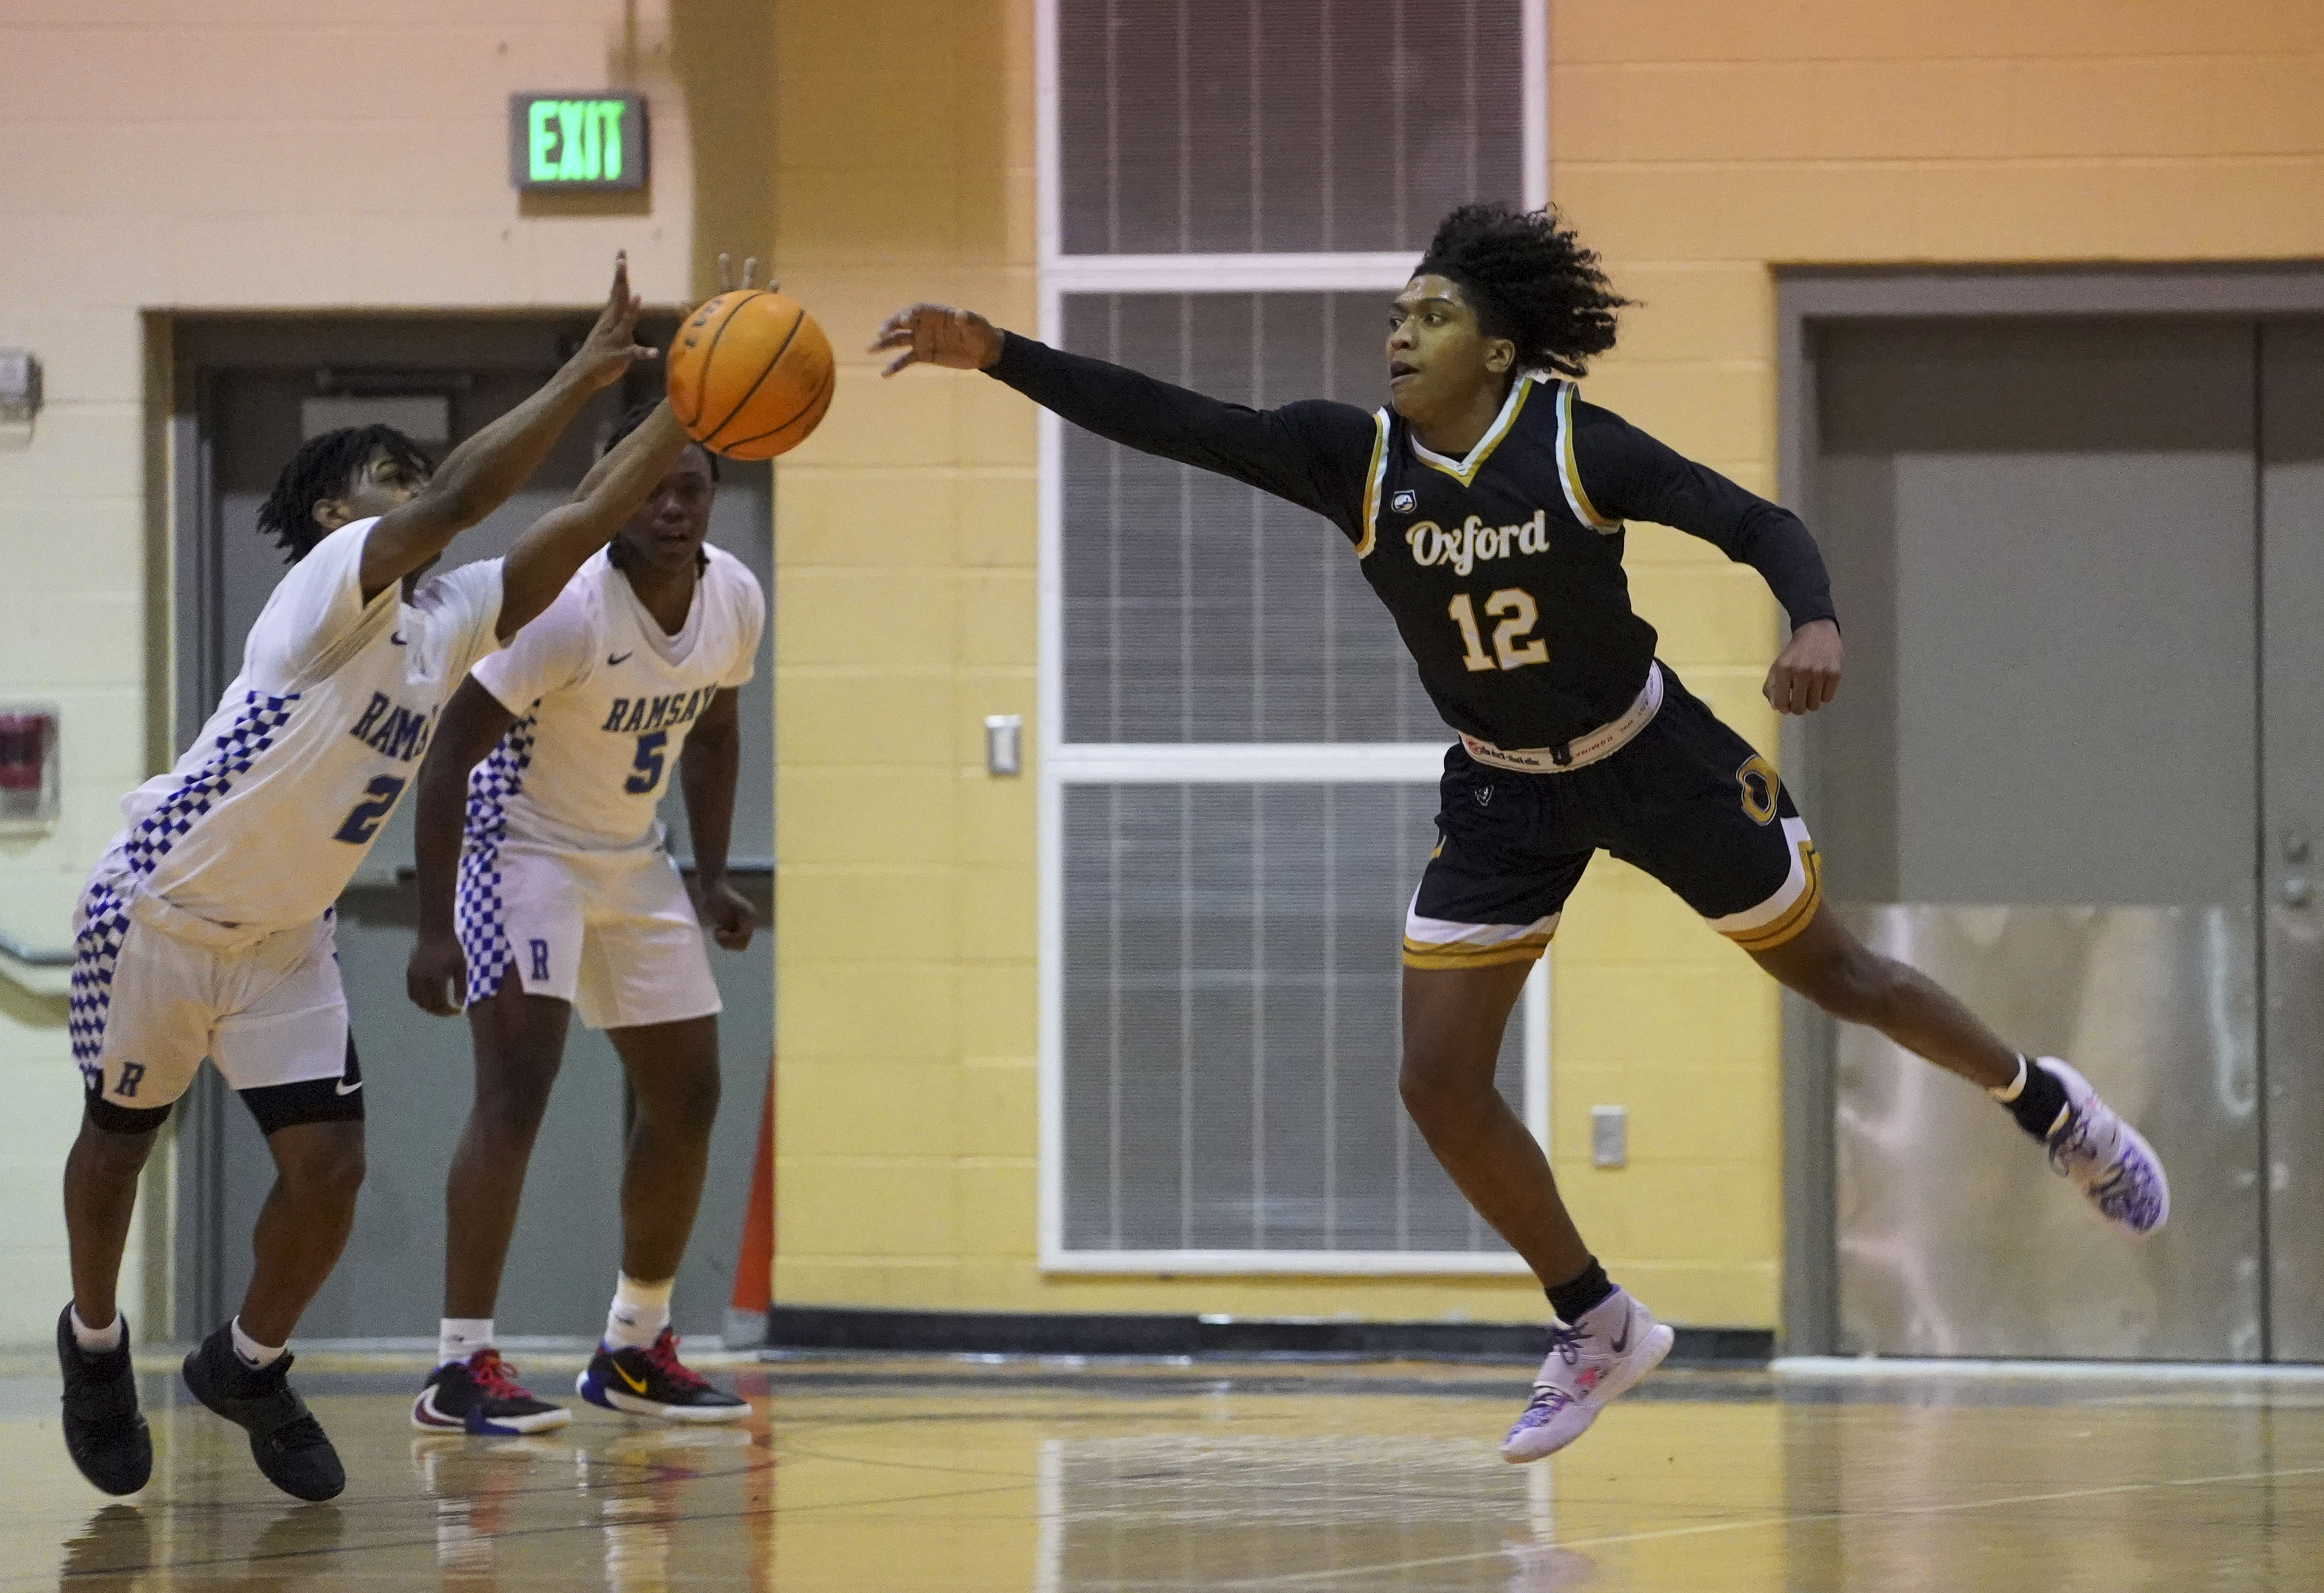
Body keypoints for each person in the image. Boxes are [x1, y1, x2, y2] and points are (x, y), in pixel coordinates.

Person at [870, 204, 2171, 1463]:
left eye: (1432, 315)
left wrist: (1815, 617)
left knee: (1840, 974)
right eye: (1397, 314)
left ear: (1496, 350)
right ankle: (1599, 1322)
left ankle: (2051, 1106)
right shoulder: (1354, 458)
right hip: (1503, 792)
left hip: (1650, 756)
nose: (1400, 333)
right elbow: (1181, 423)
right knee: (1436, 1081)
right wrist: (997, 355)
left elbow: (1757, 523)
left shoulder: (1575, 445)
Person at [57, 256, 702, 1501]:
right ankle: (93, 1344)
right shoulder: (322, 593)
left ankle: (246, 1363)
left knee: (334, 1169)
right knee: (122, 1142)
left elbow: (571, 525)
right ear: (330, 518)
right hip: (160, 908)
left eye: (412, 470)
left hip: (286, 938)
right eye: (382, 478)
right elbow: (466, 496)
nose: (409, 487)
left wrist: (687, 401)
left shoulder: (446, 618)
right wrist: (583, 369)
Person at [401, 394, 765, 1435]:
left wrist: (710, 874)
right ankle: (458, 1364)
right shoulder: (565, 607)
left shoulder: (734, 597)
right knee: (517, 1093)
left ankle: (634, 1346)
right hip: (520, 850)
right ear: (609, 502)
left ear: (712, 497)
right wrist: (434, 926)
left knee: (688, 1097)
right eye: (647, 487)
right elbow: (446, 757)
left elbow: (715, 730)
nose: (669, 505)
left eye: (688, 487)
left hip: (631, 859)